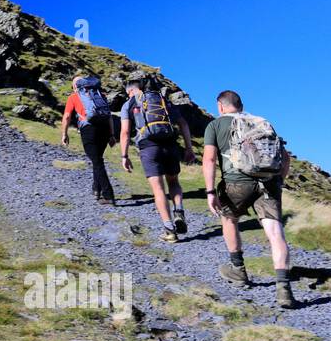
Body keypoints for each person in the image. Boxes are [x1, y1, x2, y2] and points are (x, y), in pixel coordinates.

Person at [202, 89, 296, 309]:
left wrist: (209, 192)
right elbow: (285, 157)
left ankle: (238, 270)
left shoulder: (215, 125)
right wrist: (278, 181)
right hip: (269, 182)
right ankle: (283, 288)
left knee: (229, 219)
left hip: (237, 182)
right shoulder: (261, 122)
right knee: (275, 232)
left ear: (220, 106)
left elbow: (209, 159)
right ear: (241, 105)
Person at [119, 74, 195, 242]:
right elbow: (183, 124)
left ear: (131, 90)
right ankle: (179, 211)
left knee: (158, 189)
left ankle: (169, 230)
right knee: (174, 182)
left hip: (148, 146)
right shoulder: (162, 100)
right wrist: (189, 148)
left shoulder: (129, 104)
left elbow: (125, 132)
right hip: (169, 144)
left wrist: (124, 155)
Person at [60, 75, 116, 205]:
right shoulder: (100, 95)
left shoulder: (74, 97)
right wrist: (112, 135)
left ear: (75, 86)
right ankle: (96, 190)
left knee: (97, 161)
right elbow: (109, 116)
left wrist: (64, 134)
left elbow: (67, 116)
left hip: (89, 130)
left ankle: (108, 195)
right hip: (104, 130)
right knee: (97, 159)